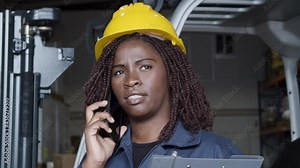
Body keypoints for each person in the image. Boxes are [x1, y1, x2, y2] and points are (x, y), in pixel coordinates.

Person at [79, 2, 241, 168]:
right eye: (119, 72)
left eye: (145, 67)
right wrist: (93, 163)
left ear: (172, 72)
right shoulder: (100, 156)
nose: (130, 80)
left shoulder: (216, 154)